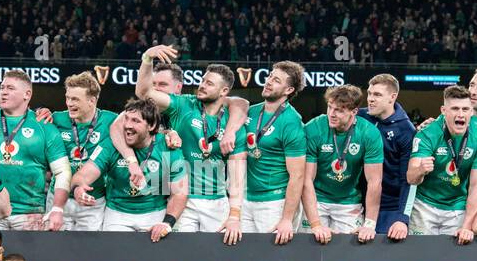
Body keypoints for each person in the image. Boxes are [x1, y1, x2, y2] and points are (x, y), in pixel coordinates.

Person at [131, 58, 248, 242]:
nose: (202, 86)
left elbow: (237, 175)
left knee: (216, 260)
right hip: (180, 200)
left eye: (209, 83)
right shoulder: (183, 105)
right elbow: (144, 92)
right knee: (180, 258)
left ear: (224, 91)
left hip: (217, 201)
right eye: (202, 80)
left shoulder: (234, 126)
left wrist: (234, 215)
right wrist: (147, 58)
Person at [0, 69, 69, 231]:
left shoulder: (44, 126)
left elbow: (62, 172)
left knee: (29, 258)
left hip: (31, 214)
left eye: (10, 88)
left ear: (27, 94)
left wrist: (57, 209)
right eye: (2, 87)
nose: (3, 92)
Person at [71, 98, 188, 239]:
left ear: (151, 126)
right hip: (117, 214)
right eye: (126, 119)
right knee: (116, 260)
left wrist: (167, 223)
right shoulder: (111, 144)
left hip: (154, 213)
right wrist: (78, 188)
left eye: (136, 121)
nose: (127, 125)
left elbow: (179, 193)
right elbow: (83, 175)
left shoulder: (168, 147)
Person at [406, 85, 477, 241]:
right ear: (443, 110)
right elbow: (411, 178)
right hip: (425, 206)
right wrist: (420, 170)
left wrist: (467, 226)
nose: (460, 114)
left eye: (465, 109)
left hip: (457, 207)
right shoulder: (427, 134)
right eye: (455, 109)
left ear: (472, 111)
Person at [37, 72, 120, 232]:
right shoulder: (56, 119)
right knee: (54, 249)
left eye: (75, 99)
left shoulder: (111, 121)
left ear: (92, 100)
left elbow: (143, 125)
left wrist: (169, 133)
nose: (69, 103)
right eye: (67, 98)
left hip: (92, 200)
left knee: (87, 253)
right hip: (59, 198)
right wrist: (40, 111)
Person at [301, 84, 383, 243]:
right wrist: (316, 224)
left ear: (354, 112)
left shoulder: (369, 133)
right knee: (308, 251)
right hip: (316, 200)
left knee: (347, 257)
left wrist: (370, 224)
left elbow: (375, 181)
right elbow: (306, 179)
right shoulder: (313, 128)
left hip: (348, 203)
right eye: (330, 107)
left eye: (339, 110)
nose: (331, 113)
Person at [241, 60, 307, 244]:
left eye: (276, 80)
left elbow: (298, 176)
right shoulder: (251, 112)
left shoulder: (292, 122)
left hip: (274, 203)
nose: (268, 81)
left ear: (289, 90)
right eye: (270, 76)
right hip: (247, 199)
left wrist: (286, 219)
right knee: (244, 260)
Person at [357, 73, 416, 240]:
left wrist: (402, 218)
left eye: (377, 95)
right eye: (369, 93)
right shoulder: (360, 117)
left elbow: (408, 180)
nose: (370, 99)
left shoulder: (406, 131)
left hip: (390, 208)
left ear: (392, 97)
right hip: (358, 204)